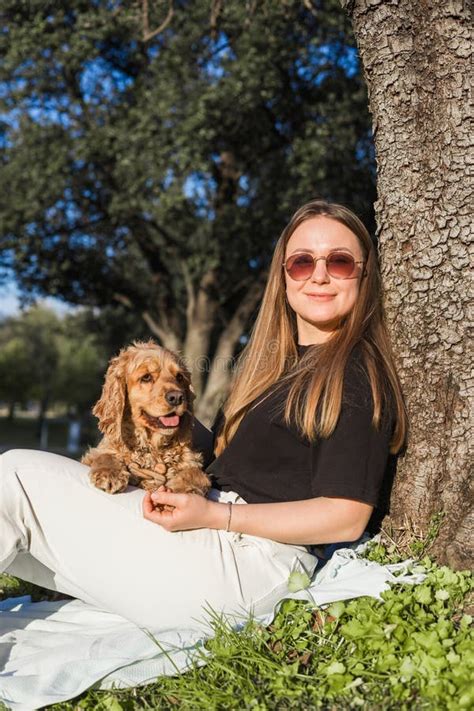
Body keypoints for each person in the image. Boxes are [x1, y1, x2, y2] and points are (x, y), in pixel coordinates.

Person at [0, 198, 407, 634]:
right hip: (214, 541)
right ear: (284, 276)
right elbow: (235, 461)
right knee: (21, 517)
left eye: (340, 262)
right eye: (303, 262)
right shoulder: (280, 365)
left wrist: (216, 517)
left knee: (16, 476)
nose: (320, 274)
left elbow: (345, 515)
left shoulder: (355, 373)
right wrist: (157, 428)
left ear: (364, 273)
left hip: (247, 566)